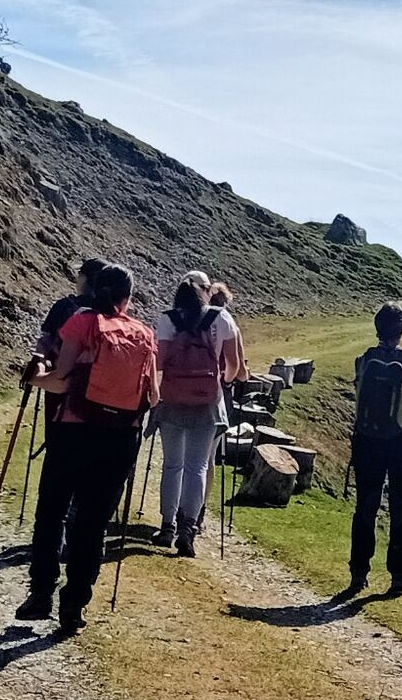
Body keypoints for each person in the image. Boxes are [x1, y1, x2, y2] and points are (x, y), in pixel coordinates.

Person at [20, 263, 160, 633]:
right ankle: (75, 606)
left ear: (94, 288)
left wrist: (34, 377)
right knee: (94, 523)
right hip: (119, 440)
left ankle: (40, 594)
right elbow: (153, 396)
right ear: (128, 298)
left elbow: (62, 382)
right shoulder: (144, 333)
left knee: (52, 511)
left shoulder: (81, 322)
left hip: (73, 433)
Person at [21, 258, 106, 587]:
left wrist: (36, 374)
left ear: (85, 279)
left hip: (59, 389)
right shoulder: (110, 317)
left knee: (59, 457)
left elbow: (44, 345)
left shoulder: (65, 308)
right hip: (101, 401)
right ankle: (76, 529)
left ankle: (48, 559)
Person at [344, 299, 402, 598]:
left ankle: (358, 574)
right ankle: (398, 577)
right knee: (401, 507)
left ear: (377, 327)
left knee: (365, 507)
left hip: (368, 440)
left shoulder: (364, 358)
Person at [151, 271, 244, 555]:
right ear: (204, 293)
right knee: (198, 467)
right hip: (207, 403)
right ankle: (188, 531)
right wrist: (222, 382)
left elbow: (158, 363)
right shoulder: (221, 318)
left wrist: (156, 394)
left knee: (172, 465)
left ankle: (167, 527)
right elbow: (234, 364)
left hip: (172, 401)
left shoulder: (167, 320)